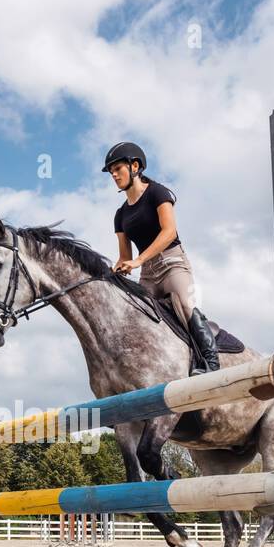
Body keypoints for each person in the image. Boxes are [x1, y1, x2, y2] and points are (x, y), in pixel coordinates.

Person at [104, 141, 219, 374]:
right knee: (135, 317)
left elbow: (169, 233)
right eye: (111, 172)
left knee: (186, 305)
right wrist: (114, 270)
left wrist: (137, 261)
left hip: (172, 263)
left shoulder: (158, 193)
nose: (114, 175)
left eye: (118, 169)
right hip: (148, 273)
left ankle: (211, 363)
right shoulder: (120, 215)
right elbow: (124, 255)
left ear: (134, 166)